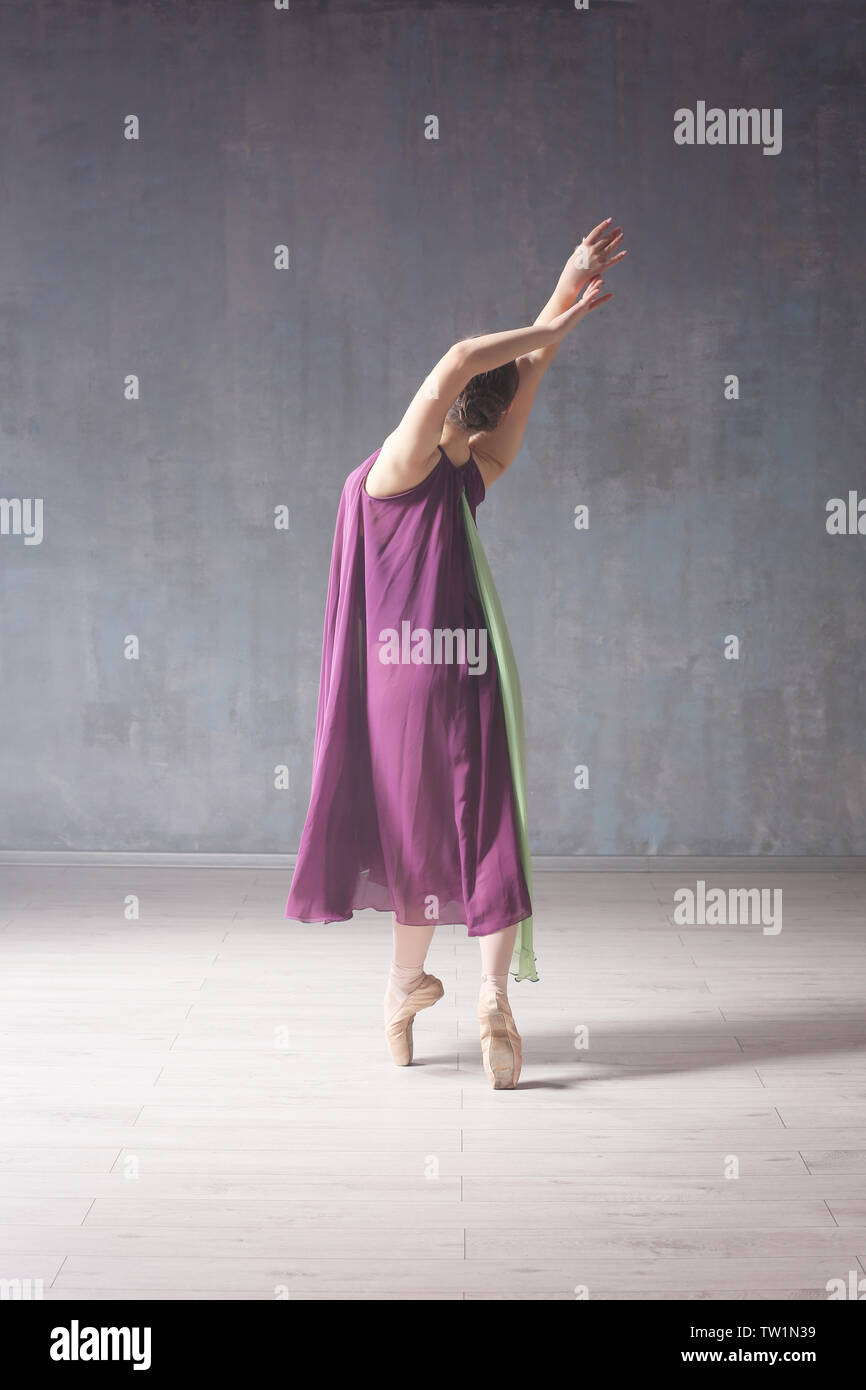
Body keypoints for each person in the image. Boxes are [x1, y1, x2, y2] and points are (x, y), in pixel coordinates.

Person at [286, 219, 626, 1087]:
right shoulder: (446, 472)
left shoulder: (395, 471)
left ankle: (403, 995)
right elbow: (491, 371)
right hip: (469, 678)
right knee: (488, 832)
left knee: (415, 842)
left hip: (398, 686)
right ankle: (491, 1002)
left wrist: (560, 309)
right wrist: (558, 307)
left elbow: (473, 365)